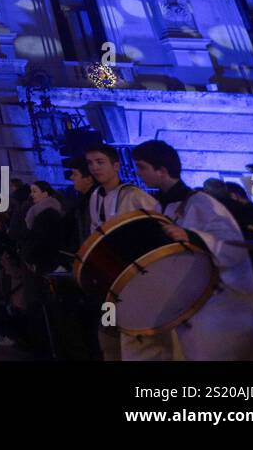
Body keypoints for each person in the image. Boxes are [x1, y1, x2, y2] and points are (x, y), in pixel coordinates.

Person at [131, 140, 253, 361]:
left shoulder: (202, 203)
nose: (138, 172)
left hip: (217, 304)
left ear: (162, 170)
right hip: (186, 300)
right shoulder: (159, 206)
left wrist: (192, 236)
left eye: (142, 166)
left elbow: (231, 245)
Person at [82, 143, 159, 361]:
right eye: (90, 163)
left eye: (100, 162)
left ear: (116, 166)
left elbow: (158, 227)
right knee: (108, 334)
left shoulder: (134, 195)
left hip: (135, 278)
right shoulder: (95, 196)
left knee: (135, 337)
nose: (95, 168)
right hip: (108, 278)